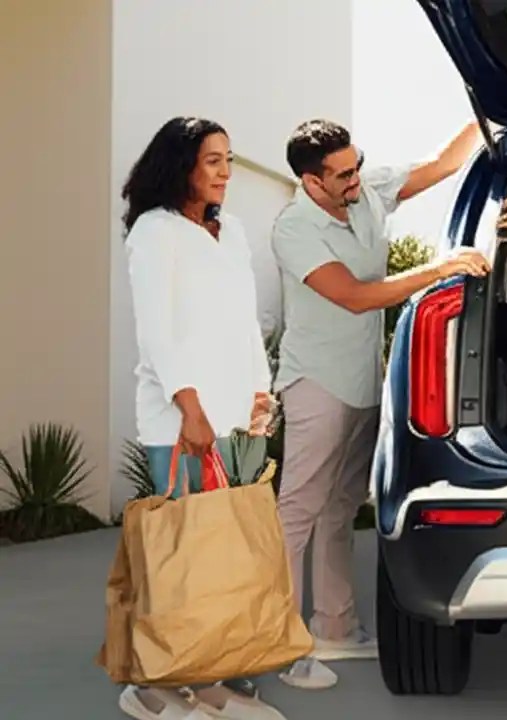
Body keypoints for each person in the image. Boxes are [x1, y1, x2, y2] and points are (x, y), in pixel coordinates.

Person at [270, 118, 500, 689]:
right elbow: (353, 296)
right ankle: (273, 642)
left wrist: (483, 116)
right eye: (343, 173)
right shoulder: (293, 228)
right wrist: (439, 268)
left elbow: (442, 165)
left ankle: (335, 626)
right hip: (316, 381)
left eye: (357, 164)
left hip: (361, 379)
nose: (356, 178)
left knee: (341, 506)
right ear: (311, 180)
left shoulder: (366, 188)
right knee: (296, 512)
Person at [121, 117, 282, 720]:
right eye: (212, 160)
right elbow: (157, 331)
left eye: (229, 160)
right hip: (180, 421)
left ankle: (210, 682)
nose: (225, 173)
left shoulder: (231, 232)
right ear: (181, 164)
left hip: (236, 422)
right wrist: (190, 409)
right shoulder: (153, 233)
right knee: (180, 560)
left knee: (223, 560)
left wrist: (261, 399)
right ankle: (151, 688)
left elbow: (245, 322)